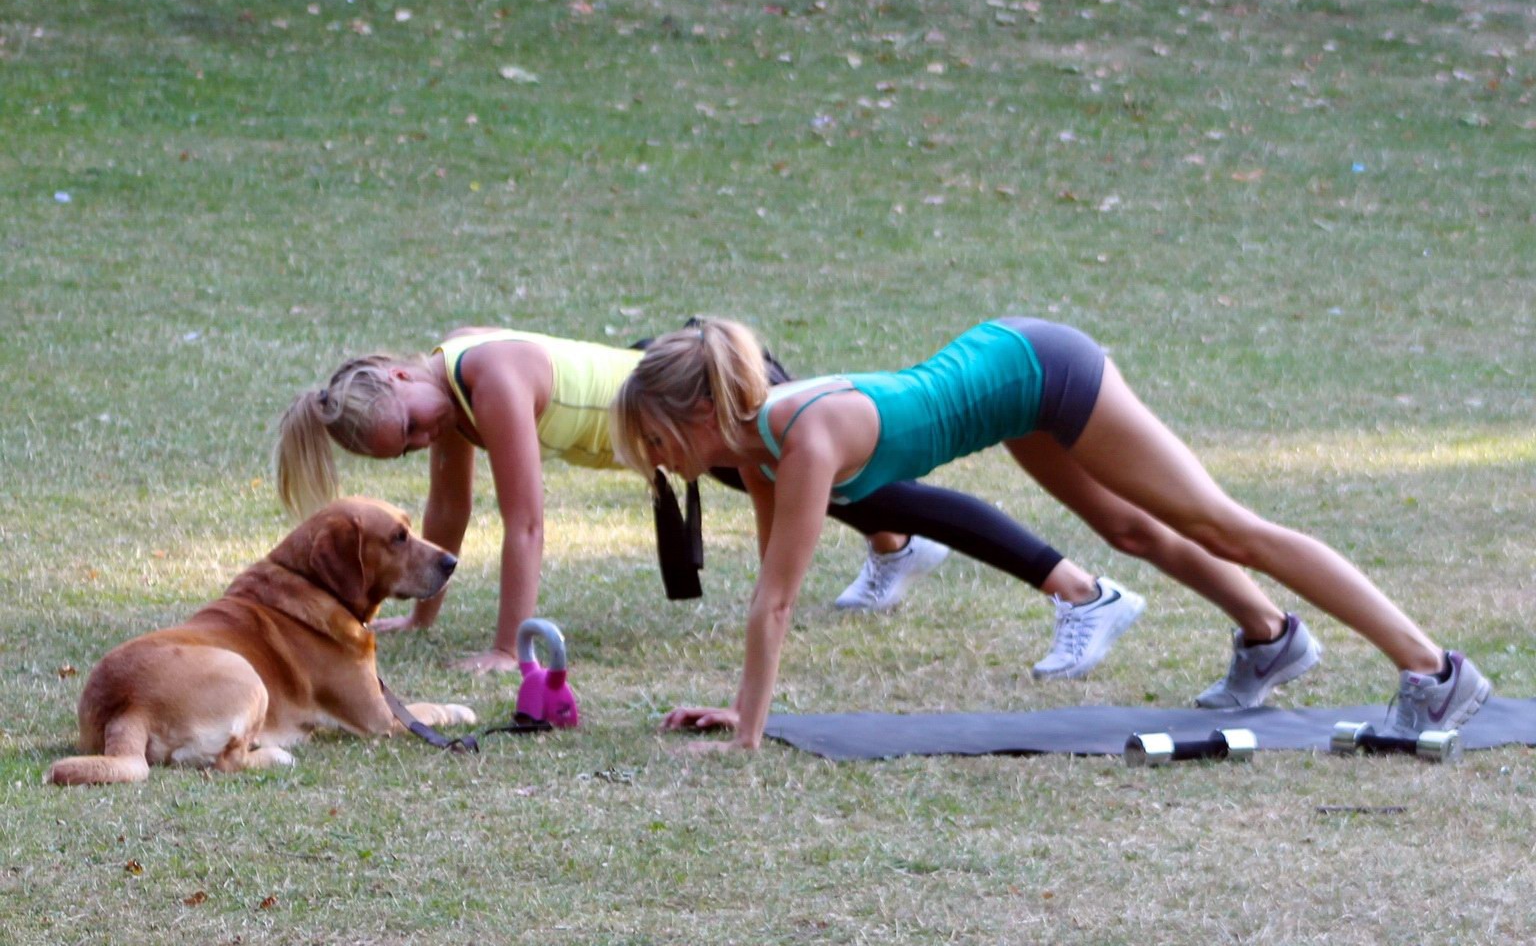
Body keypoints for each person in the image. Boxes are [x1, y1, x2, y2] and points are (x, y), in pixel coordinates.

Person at [610, 316, 1492, 752]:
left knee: (1226, 524)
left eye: (657, 439)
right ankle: (1272, 641)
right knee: (1126, 528)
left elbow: (776, 603)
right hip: (1011, 389)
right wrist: (745, 708)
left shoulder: (803, 441)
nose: (655, 459)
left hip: (1042, 367)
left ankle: (1435, 669)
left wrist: (749, 739)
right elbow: (776, 577)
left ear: (700, 413)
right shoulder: (763, 449)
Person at [274, 326, 1148, 674]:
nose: (425, 441)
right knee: (870, 499)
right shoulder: (450, 386)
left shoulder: (486, 374)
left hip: (704, 415)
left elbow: (528, 521)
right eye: (411, 448)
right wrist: (422, 620)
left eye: (415, 426)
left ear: (396, 375)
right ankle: (895, 549)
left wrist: (510, 650)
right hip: (678, 423)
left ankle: (1079, 589)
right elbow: (450, 521)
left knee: (890, 492)